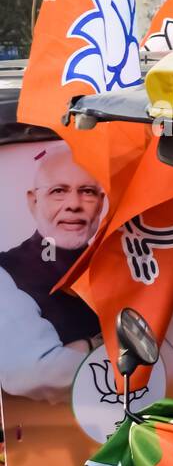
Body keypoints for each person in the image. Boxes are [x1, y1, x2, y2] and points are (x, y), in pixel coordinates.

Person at [0, 146, 106, 403]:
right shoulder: (6, 271)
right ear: (33, 201)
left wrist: (79, 350)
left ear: (102, 203)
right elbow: (34, 373)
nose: (74, 205)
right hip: (45, 439)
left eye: (88, 192)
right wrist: (96, 345)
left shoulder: (123, 266)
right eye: (58, 191)